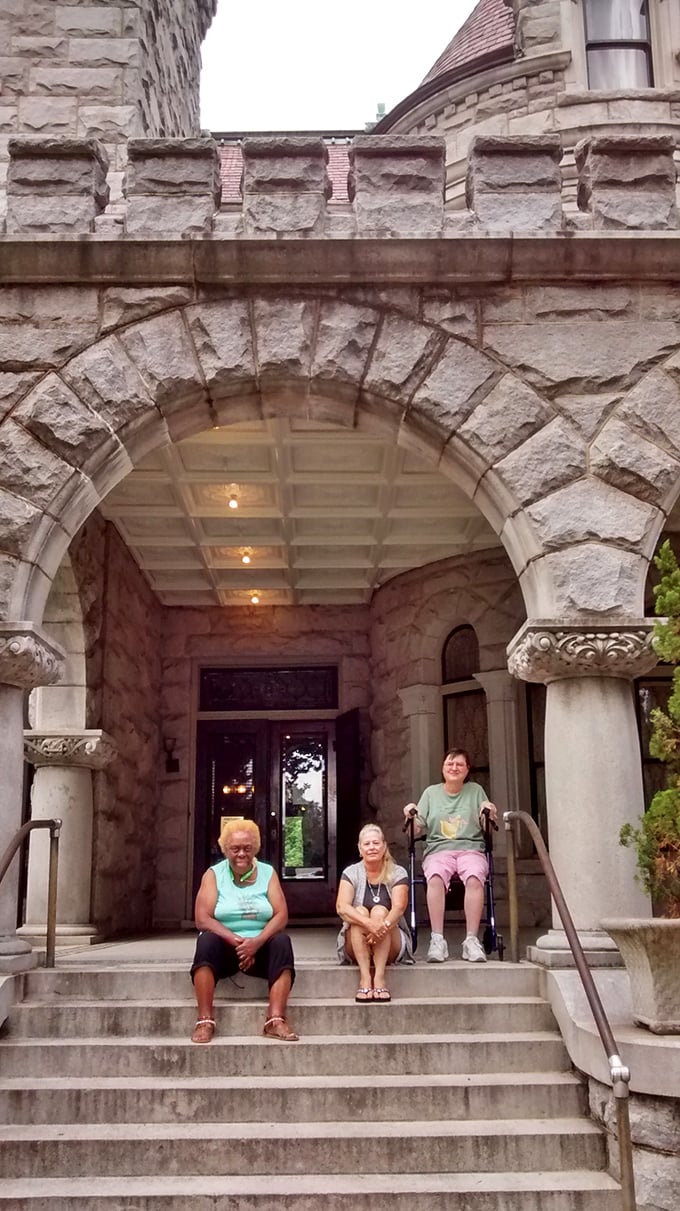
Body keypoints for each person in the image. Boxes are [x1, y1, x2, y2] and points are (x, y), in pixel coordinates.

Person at [190, 817, 298, 1043]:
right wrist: (237, 942)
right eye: (235, 848)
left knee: (282, 942)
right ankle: (204, 1021)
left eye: (247, 848)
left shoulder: (268, 873)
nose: (241, 854)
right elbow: (202, 919)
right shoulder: (213, 874)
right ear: (225, 849)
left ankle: (275, 1020)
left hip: (259, 946)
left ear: (255, 848)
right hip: (226, 947)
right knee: (206, 942)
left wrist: (256, 943)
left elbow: (281, 915)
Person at [403, 748, 497, 964]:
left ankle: (471, 941)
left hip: (471, 847)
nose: (454, 768)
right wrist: (410, 815)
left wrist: (487, 811)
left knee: (475, 876)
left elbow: (486, 825)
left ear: (467, 770)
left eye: (459, 765)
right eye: (450, 764)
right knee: (434, 876)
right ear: (443, 768)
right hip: (439, 849)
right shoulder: (431, 793)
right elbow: (417, 828)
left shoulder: (475, 791)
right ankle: (437, 940)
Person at [336, 823, 413, 1002]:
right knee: (359, 912)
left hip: (390, 938)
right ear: (360, 849)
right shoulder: (351, 872)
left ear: (384, 846)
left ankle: (379, 978)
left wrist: (382, 927)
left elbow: (399, 907)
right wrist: (369, 924)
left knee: (380, 911)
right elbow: (342, 907)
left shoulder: (398, 872)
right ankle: (365, 978)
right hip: (357, 940)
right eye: (367, 844)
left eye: (376, 843)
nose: (372, 847)